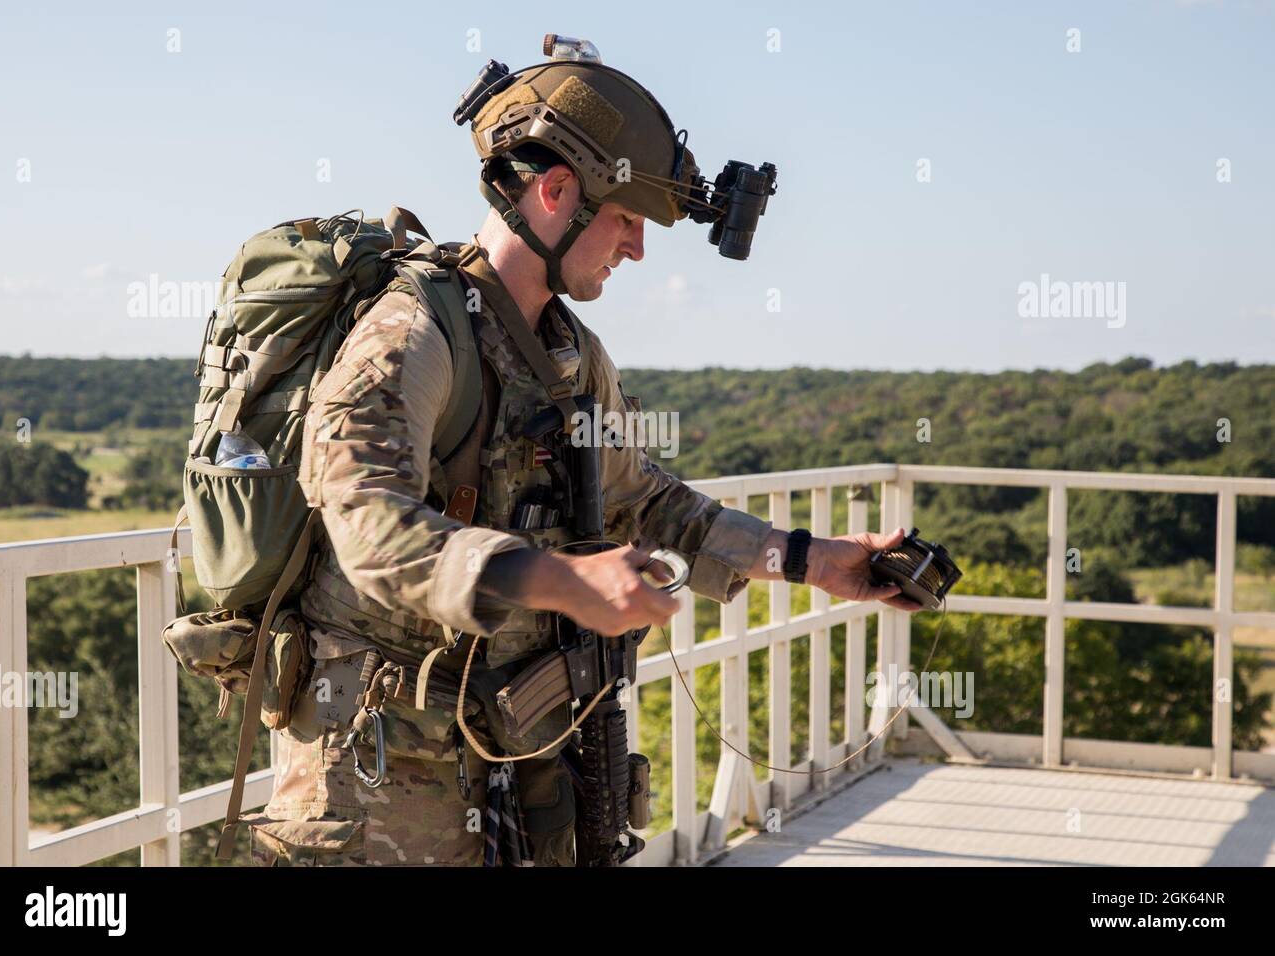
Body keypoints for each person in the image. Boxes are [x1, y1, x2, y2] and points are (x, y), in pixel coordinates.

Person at [246, 39, 919, 868]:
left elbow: (648, 499)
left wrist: (814, 560)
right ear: (556, 191)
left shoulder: (568, 351)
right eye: (628, 219)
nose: (636, 248)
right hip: (379, 762)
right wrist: (561, 580)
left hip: (505, 741)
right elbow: (366, 522)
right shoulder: (412, 331)